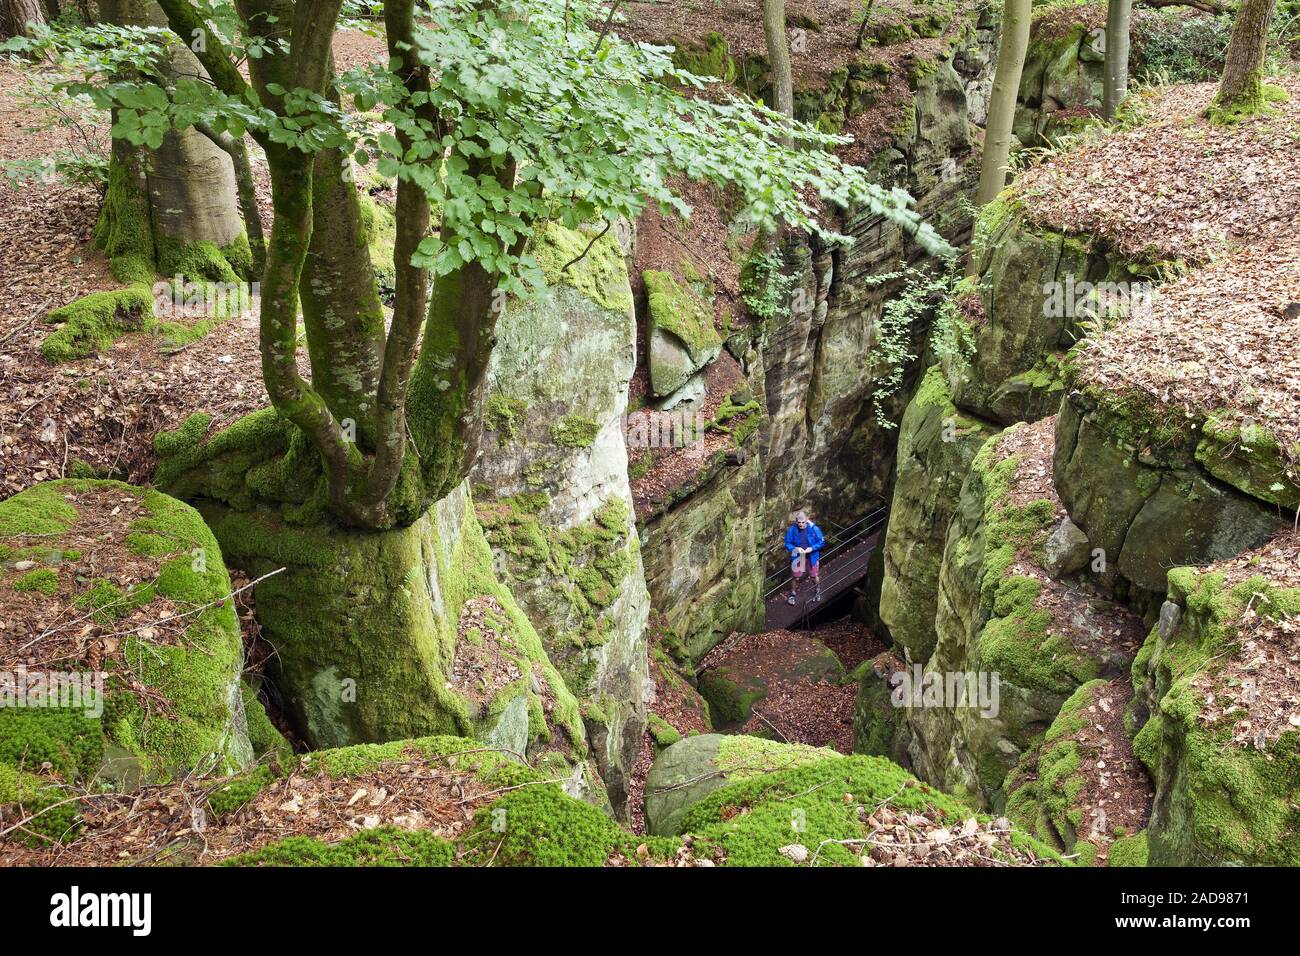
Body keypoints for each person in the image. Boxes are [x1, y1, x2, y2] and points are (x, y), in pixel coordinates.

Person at [784, 510, 824, 605]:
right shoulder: (792, 530)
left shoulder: (814, 529)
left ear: (807, 520)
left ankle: (817, 590)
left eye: (803, 522)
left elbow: (821, 542)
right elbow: (787, 543)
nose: (801, 524)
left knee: (813, 576)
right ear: (796, 521)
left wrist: (812, 548)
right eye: (799, 522)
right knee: (795, 577)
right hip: (798, 556)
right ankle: (793, 594)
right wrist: (795, 548)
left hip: (811, 556)